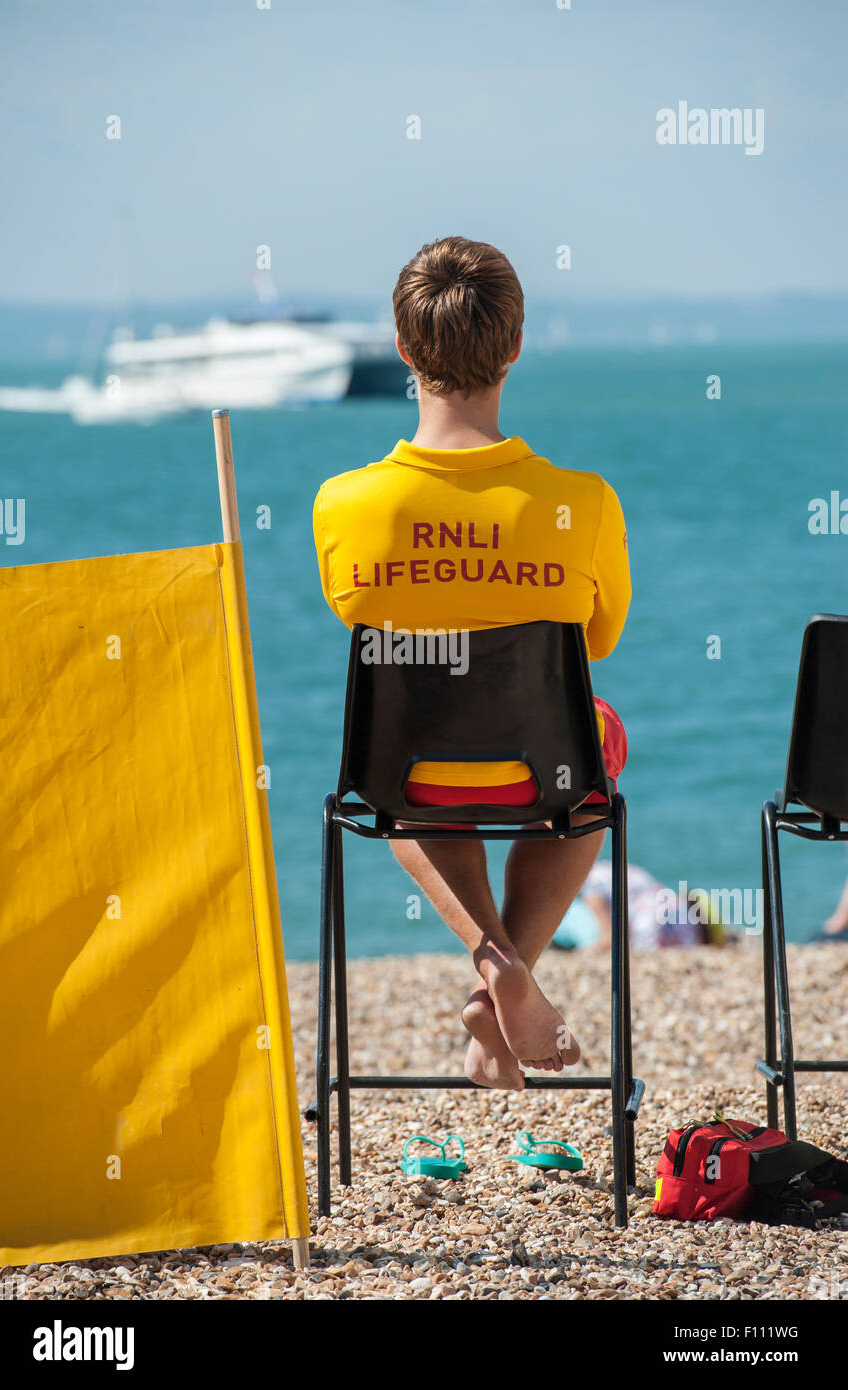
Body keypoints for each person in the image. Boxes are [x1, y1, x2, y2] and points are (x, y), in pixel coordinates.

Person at [313, 236, 631, 1090]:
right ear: (516, 347)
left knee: (409, 731)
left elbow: (361, 623)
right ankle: (508, 977)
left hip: (402, 780)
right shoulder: (583, 501)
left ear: (404, 349)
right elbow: (593, 642)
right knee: (601, 737)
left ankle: (499, 972)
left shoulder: (343, 503)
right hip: (545, 777)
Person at [553, 862, 727, 950]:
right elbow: (593, 880)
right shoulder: (651, 888)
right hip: (582, 905)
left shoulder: (653, 887)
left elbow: (593, 877)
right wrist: (608, 933)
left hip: (579, 901)